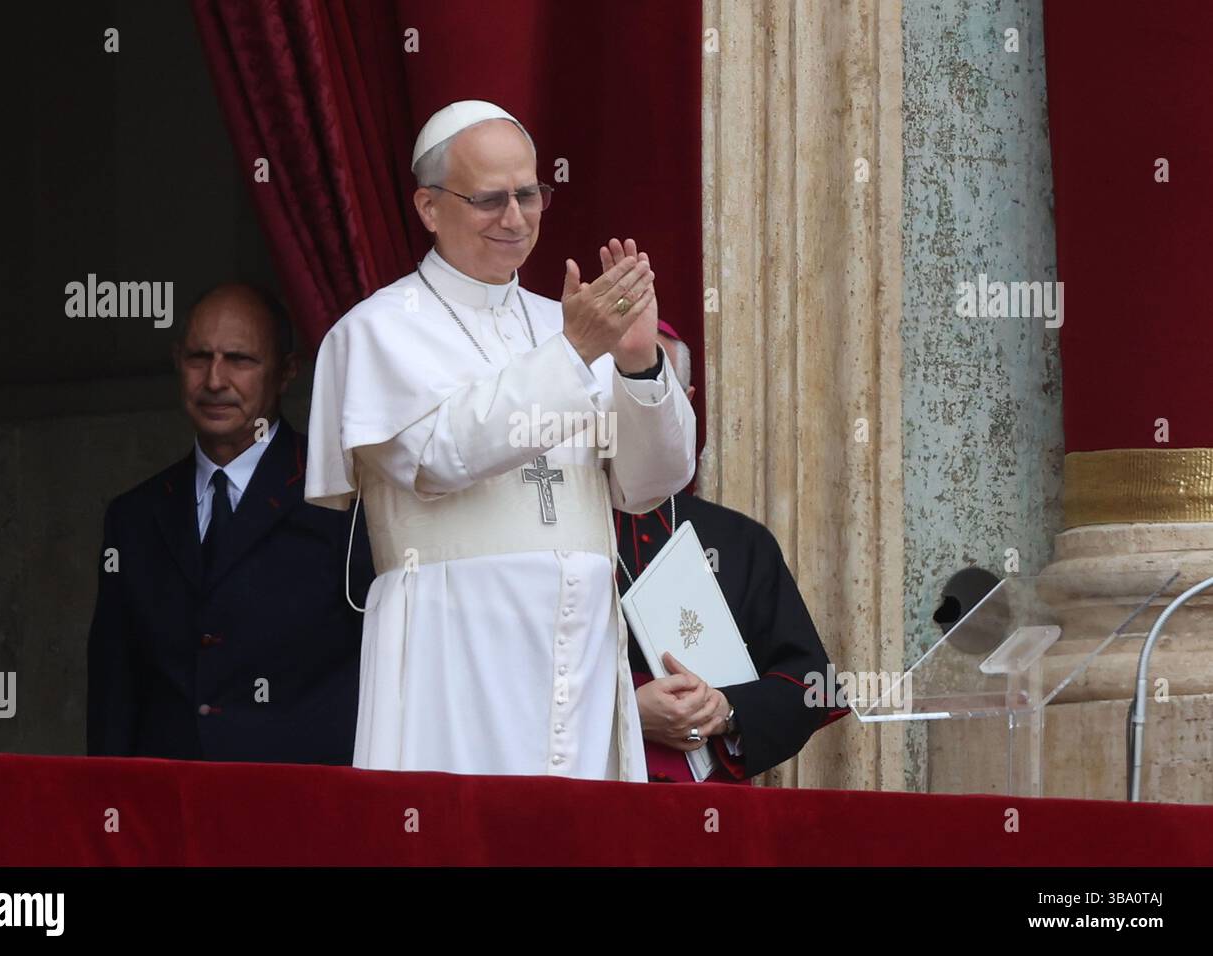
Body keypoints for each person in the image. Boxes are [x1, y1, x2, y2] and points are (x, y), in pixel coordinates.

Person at [306, 100, 696, 781]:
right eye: (489, 199)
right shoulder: (375, 332)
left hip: (579, 646)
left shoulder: (568, 327)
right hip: (450, 645)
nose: (515, 218)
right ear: (429, 207)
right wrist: (576, 353)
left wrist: (637, 365)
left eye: (529, 194)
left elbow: (652, 484)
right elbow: (442, 457)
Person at [86, 283, 374, 763]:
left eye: (240, 360)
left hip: (302, 812)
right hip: (165, 813)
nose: (215, 380)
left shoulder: (343, 498)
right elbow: (114, 694)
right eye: (200, 358)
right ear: (178, 362)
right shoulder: (133, 518)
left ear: (286, 371)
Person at [616, 323, 846, 782]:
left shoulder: (740, 540)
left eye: (657, 392)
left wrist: (725, 709)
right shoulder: (553, 533)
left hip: (709, 815)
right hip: (584, 793)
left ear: (686, 399)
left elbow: (812, 684)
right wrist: (623, 709)